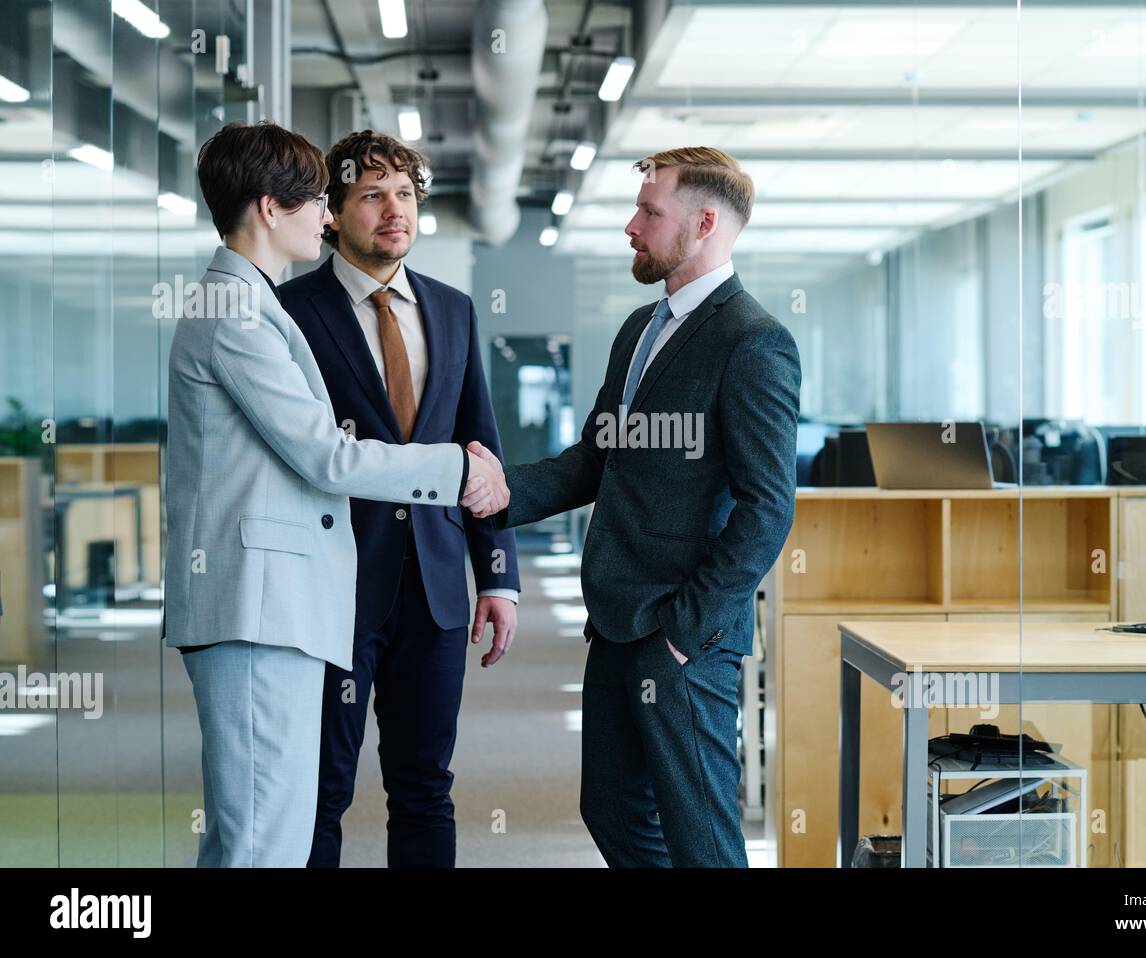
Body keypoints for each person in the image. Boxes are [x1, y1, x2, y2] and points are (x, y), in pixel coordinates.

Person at [164, 121, 508, 867]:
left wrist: (495, 563)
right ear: (268, 208)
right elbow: (327, 455)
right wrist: (456, 470)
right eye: (321, 201)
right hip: (264, 605)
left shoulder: (251, 302)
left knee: (262, 832)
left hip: (297, 603)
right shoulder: (243, 311)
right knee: (268, 835)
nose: (323, 216)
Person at [468, 146, 800, 867]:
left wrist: (685, 631)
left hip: (681, 638)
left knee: (702, 838)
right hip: (614, 621)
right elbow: (595, 459)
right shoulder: (638, 332)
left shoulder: (753, 342)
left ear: (705, 221)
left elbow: (768, 508)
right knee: (613, 811)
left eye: (650, 211)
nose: (631, 225)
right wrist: (500, 491)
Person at [279, 130, 519, 868]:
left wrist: (499, 576)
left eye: (406, 195)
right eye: (372, 195)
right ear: (331, 213)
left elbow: (481, 447)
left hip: (437, 588)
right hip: (333, 586)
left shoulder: (452, 310)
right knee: (321, 789)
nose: (395, 210)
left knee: (425, 786)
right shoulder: (290, 310)